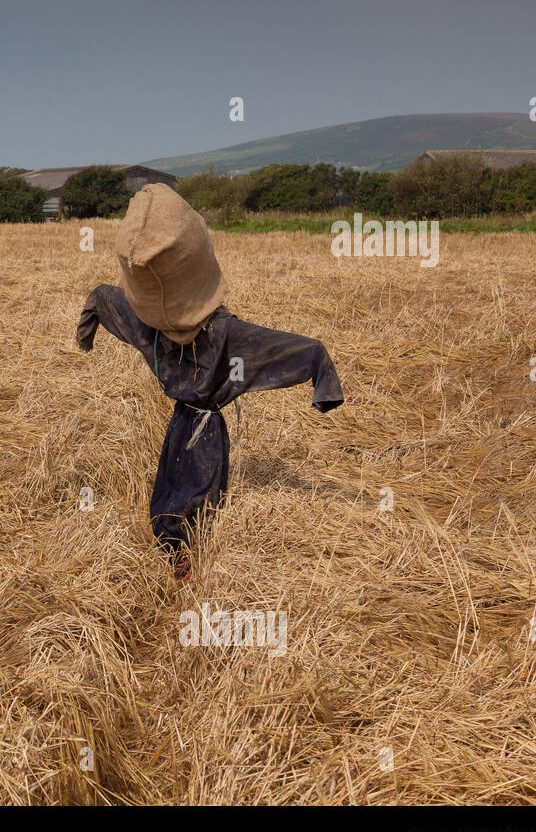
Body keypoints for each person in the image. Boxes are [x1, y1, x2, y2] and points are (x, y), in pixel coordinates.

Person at [75, 184, 344, 581]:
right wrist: (323, 380)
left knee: (177, 481)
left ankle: (173, 540)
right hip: (202, 426)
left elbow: (102, 298)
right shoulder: (225, 333)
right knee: (196, 486)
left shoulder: (143, 323)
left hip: (185, 419)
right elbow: (293, 350)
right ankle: (181, 552)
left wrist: (86, 333)